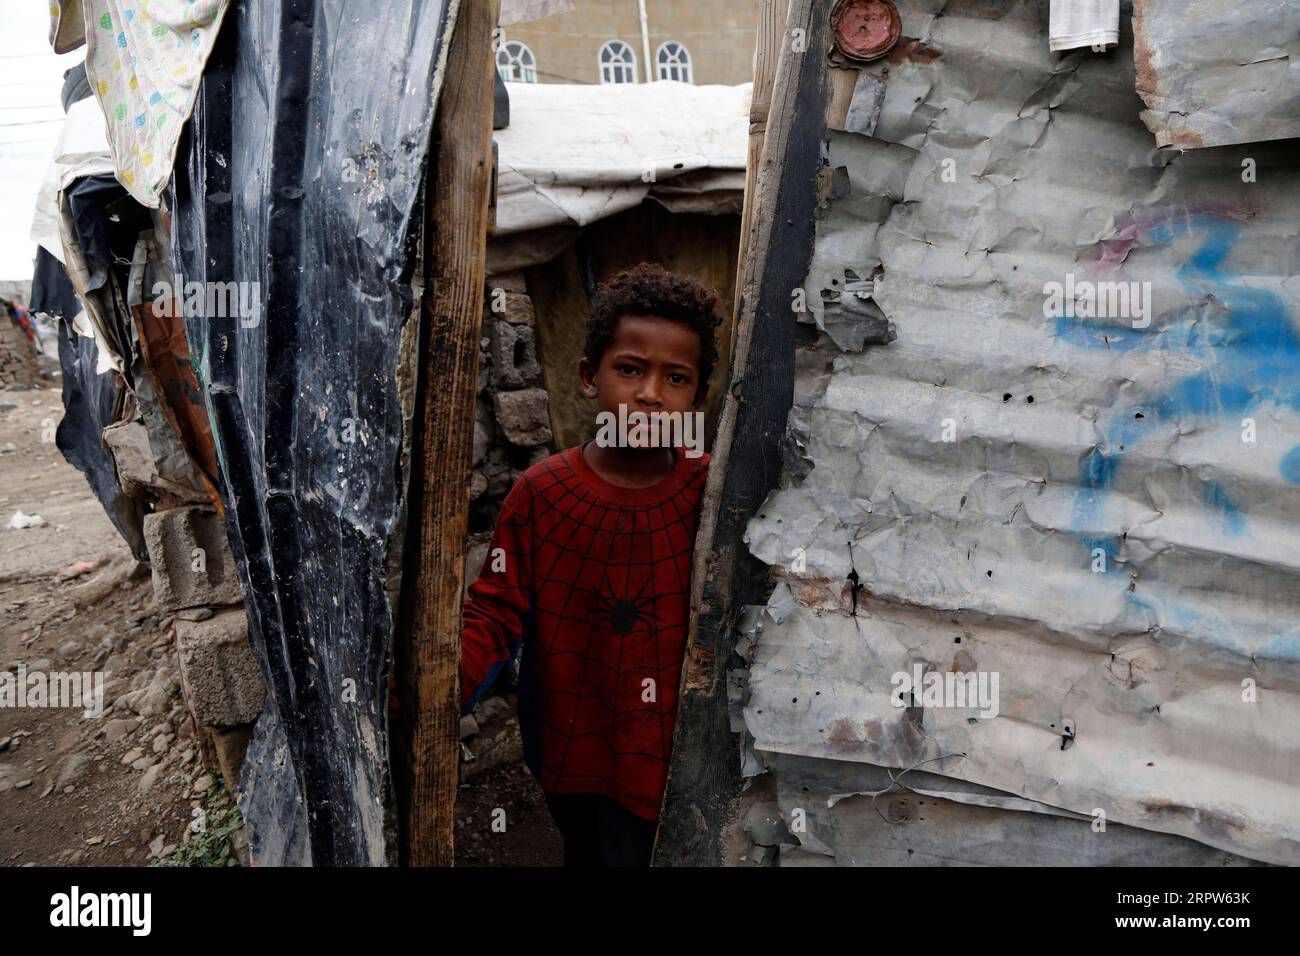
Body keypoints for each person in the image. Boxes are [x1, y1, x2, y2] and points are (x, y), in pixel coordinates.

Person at [460, 261, 723, 867]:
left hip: (670, 746)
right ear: (588, 377)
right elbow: (496, 610)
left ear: (698, 396)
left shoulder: (710, 491)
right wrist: (443, 683)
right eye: (630, 369)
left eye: (676, 378)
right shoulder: (540, 493)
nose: (651, 393)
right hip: (572, 745)